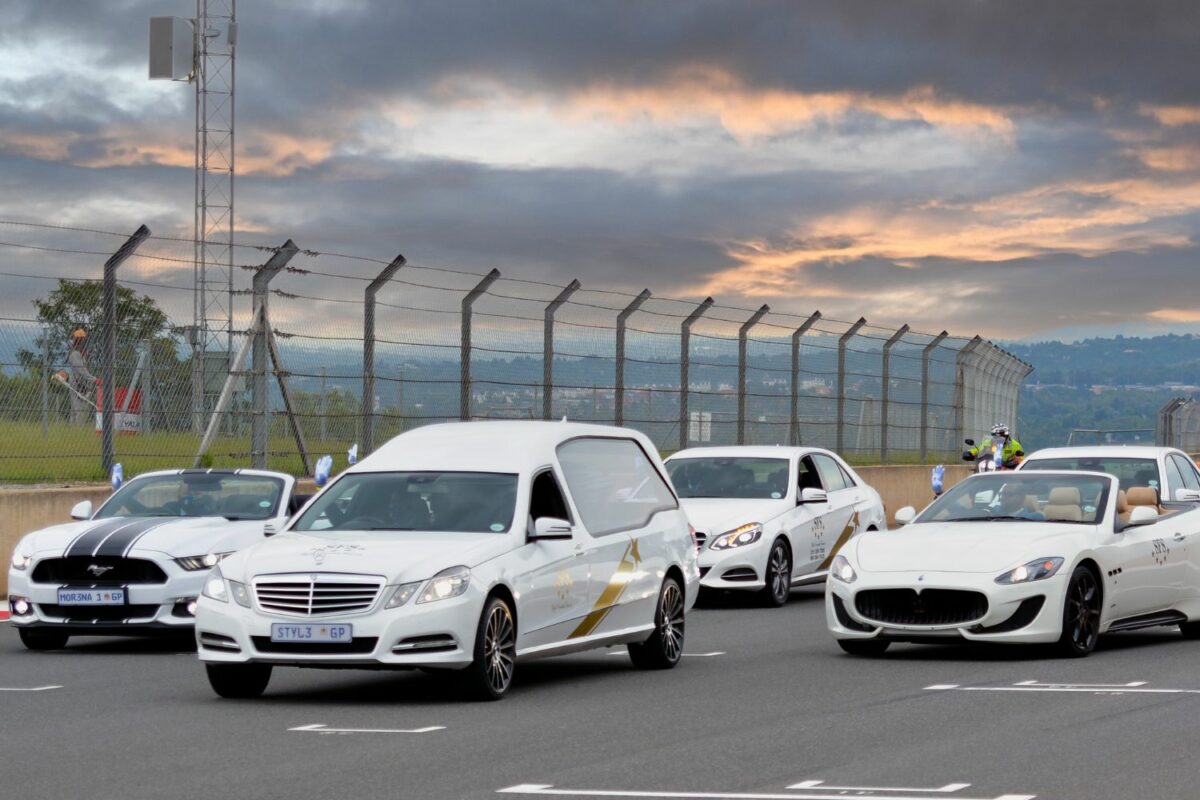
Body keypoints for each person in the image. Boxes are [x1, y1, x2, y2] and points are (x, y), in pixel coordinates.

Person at [66, 329, 96, 427]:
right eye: (83, 340)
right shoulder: (75, 354)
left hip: (80, 384)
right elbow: (81, 370)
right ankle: (78, 430)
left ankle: (73, 432)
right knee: (79, 409)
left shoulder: (79, 354)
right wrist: (94, 379)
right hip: (77, 384)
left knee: (75, 410)